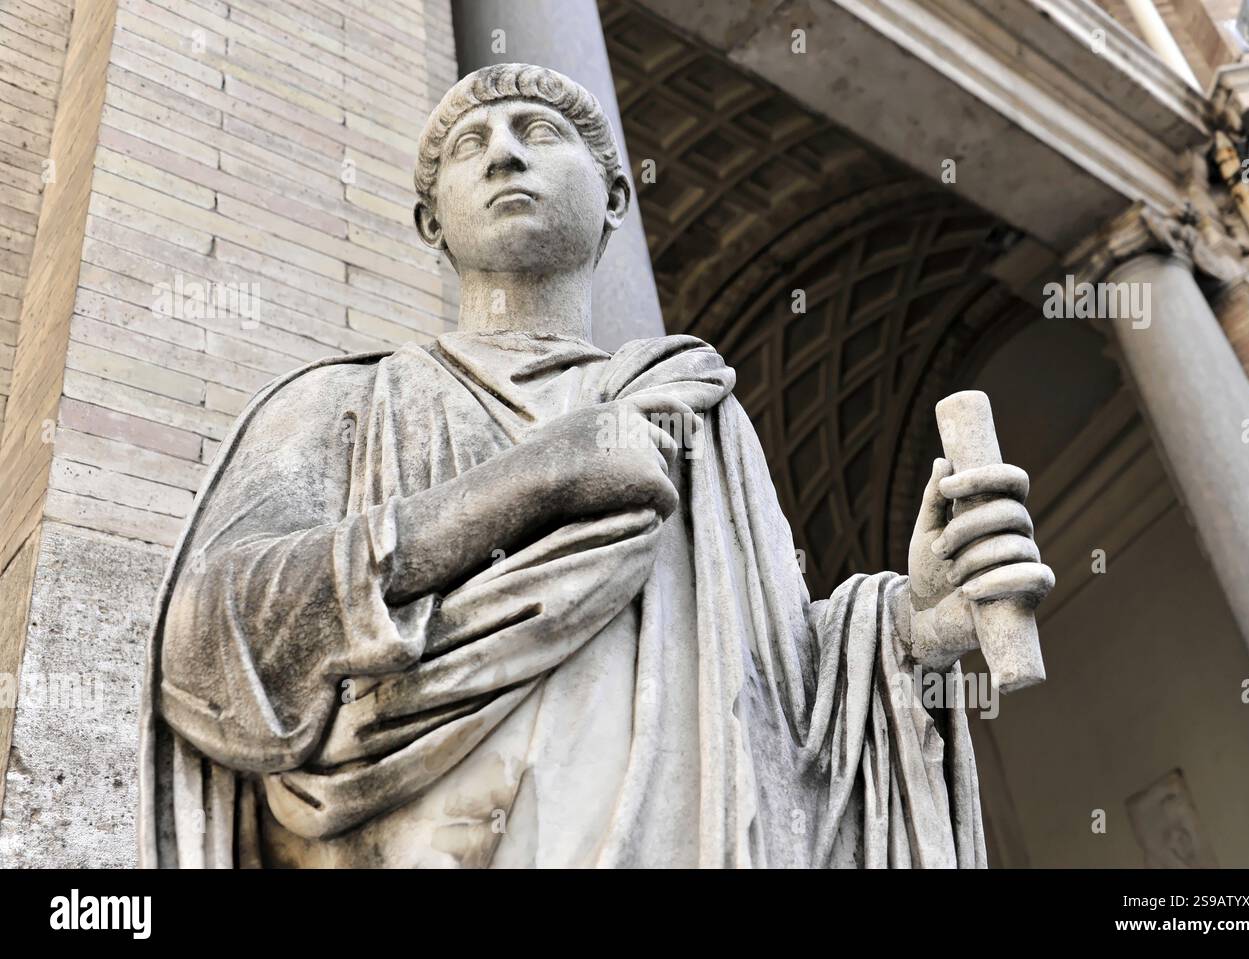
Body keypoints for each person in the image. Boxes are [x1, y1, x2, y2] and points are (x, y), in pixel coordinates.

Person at [138, 63, 1053, 868]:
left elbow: (776, 705)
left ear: (615, 197)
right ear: (430, 222)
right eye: (471, 147)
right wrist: (530, 480)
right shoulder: (345, 402)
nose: (504, 155)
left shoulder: (695, 411)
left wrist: (911, 628)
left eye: (540, 134)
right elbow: (207, 641)